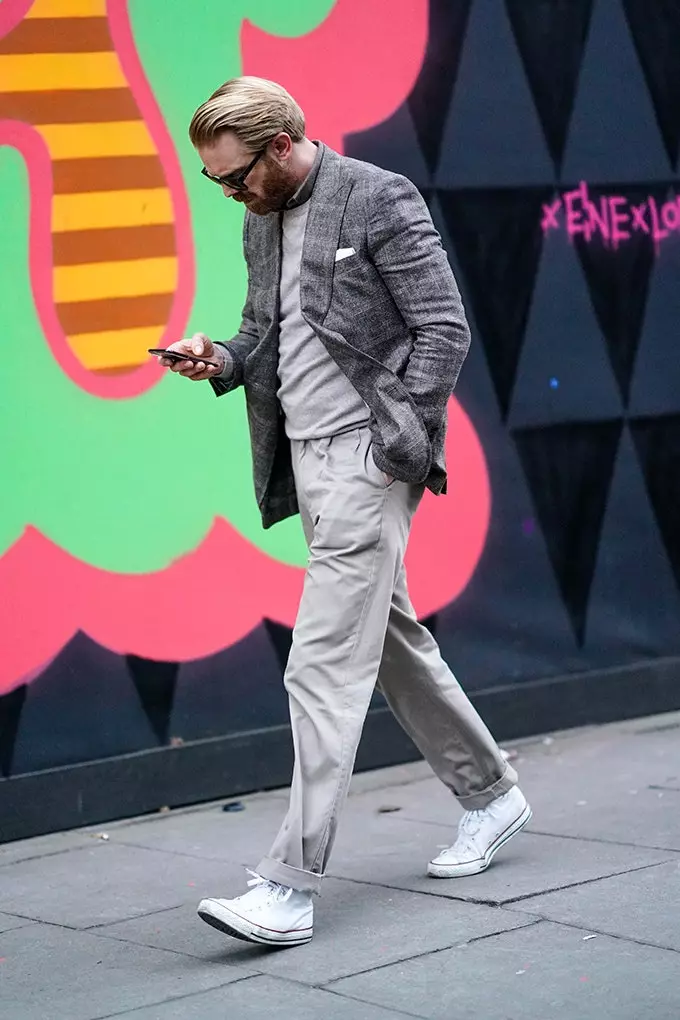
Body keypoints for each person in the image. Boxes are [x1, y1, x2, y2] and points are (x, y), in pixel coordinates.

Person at [157, 76, 531, 948]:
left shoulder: (377, 196)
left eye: (235, 175)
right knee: (390, 642)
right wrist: (217, 358)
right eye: (216, 181)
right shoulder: (261, 218)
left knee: (320, 667)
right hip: (307, 463)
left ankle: (287, 887)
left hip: (369, 461)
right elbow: (262, 333)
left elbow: (444, 328)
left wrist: (389, 437)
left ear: (281, 145)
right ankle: (492, 792)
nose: (228, 193)